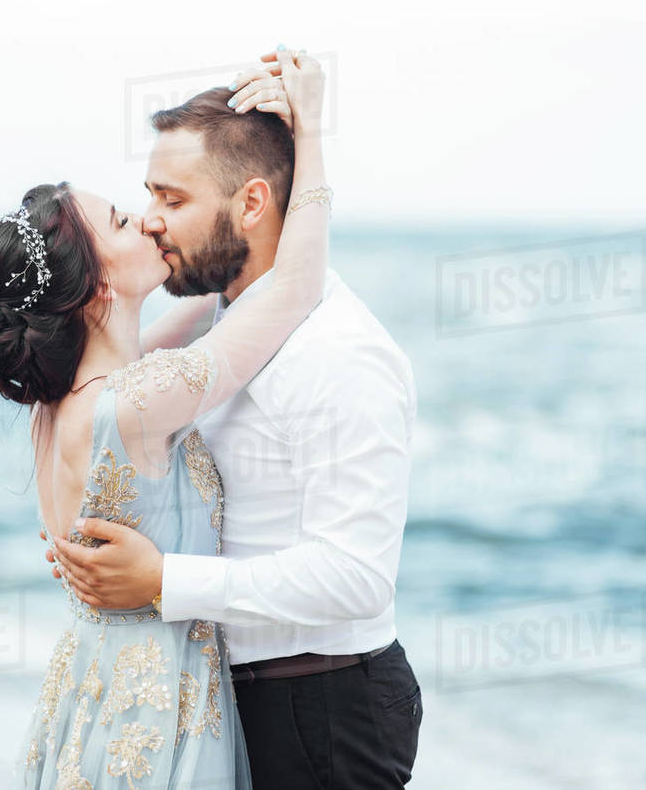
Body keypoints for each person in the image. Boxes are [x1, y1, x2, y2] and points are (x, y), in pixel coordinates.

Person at [49, 51, 422, 789]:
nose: (151, 220)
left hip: (319, 710)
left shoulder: (338, 352)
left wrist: (162, 578)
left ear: (251, 204)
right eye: (145, 195)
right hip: (223, 702)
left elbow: (357, 576)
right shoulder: (217, 327)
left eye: (172, 198)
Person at [0, 48, 327, 789]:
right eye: (126, 219)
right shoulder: (140, 398)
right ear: (98, 288)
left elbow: (210, 311)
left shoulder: (66, 394)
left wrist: (223, 242)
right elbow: (296, 289)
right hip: (158, 712)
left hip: (87, 694)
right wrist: (312, 128)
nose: (152, 221)